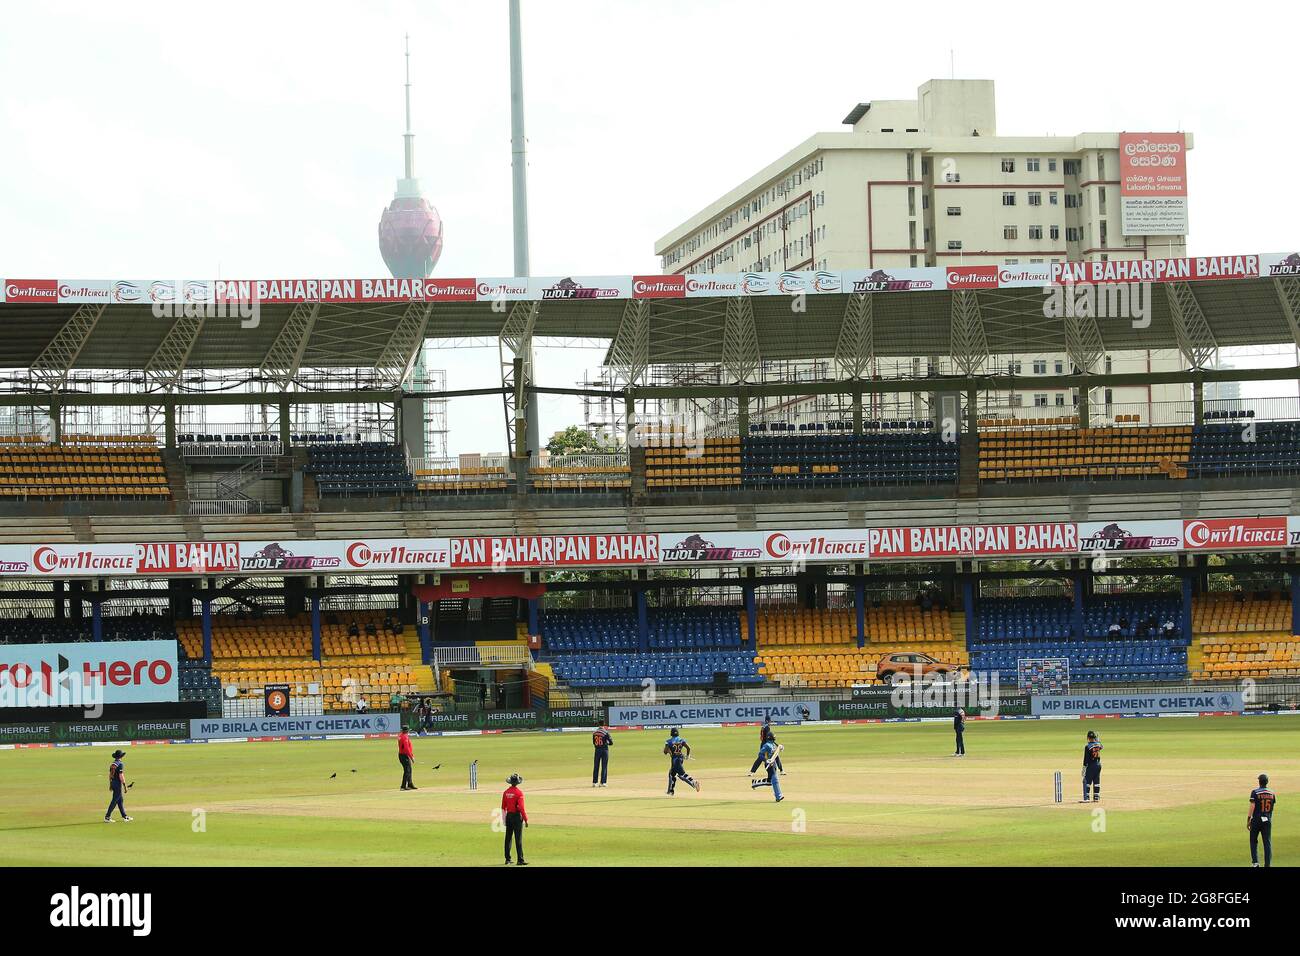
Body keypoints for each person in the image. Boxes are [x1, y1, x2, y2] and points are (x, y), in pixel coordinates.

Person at [1248, 773, 1276, 868]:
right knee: (1267, 842)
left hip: (1256, 820)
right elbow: (1272, 807)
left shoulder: (1255, 792)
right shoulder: (1272, 793)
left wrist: (1248, 819)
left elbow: (1252, 806)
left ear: (1259, 782)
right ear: (1267, 782)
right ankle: (1267, 864)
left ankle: (1255, 863)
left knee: (1253, 841)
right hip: (1267, 820)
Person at [664, 727, 700, 796]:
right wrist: (687, 756)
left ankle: (694, 782)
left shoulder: (668, 741)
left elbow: (665, 752)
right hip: (680, 758)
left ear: (671, 733)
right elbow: (688, 748)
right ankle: (670, 791)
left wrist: (669, 751)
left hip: (675, 760)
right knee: (672, 774)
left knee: (682, 774)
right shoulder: (681, 740)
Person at [502, 773, 528, 865]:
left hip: (509, 816)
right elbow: (521, 807)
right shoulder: (519, 793)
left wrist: (504, 820)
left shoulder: (505, 792)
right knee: (518, 839)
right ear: (517, 782)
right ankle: (520, 860)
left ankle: (507, 859)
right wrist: (525, 819)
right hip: (517, 817)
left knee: (508, 838)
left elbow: (503, 807)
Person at [104, 749, 132, 822]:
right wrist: (125, 785)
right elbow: (121, 776)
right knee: (114, 801)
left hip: (113, 783)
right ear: (121, 756)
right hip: (117, 784)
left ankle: (124, 816)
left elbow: (110, 775)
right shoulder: (120, 764)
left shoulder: (113, 764)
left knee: (120, 800)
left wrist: (110, 784)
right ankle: (107, 817)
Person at [1080, 730, 1103, 803]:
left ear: (1088, 738)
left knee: (1087, 780)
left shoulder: (1087, 746)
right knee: (1096, 780)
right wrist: (1097, 741)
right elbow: (1101, 746)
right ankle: (1096, 797)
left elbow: (1086, 758)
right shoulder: (1098, 744)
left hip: (1091, 765)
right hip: (1098, 765)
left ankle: (1086, 797)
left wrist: (1084, 768)